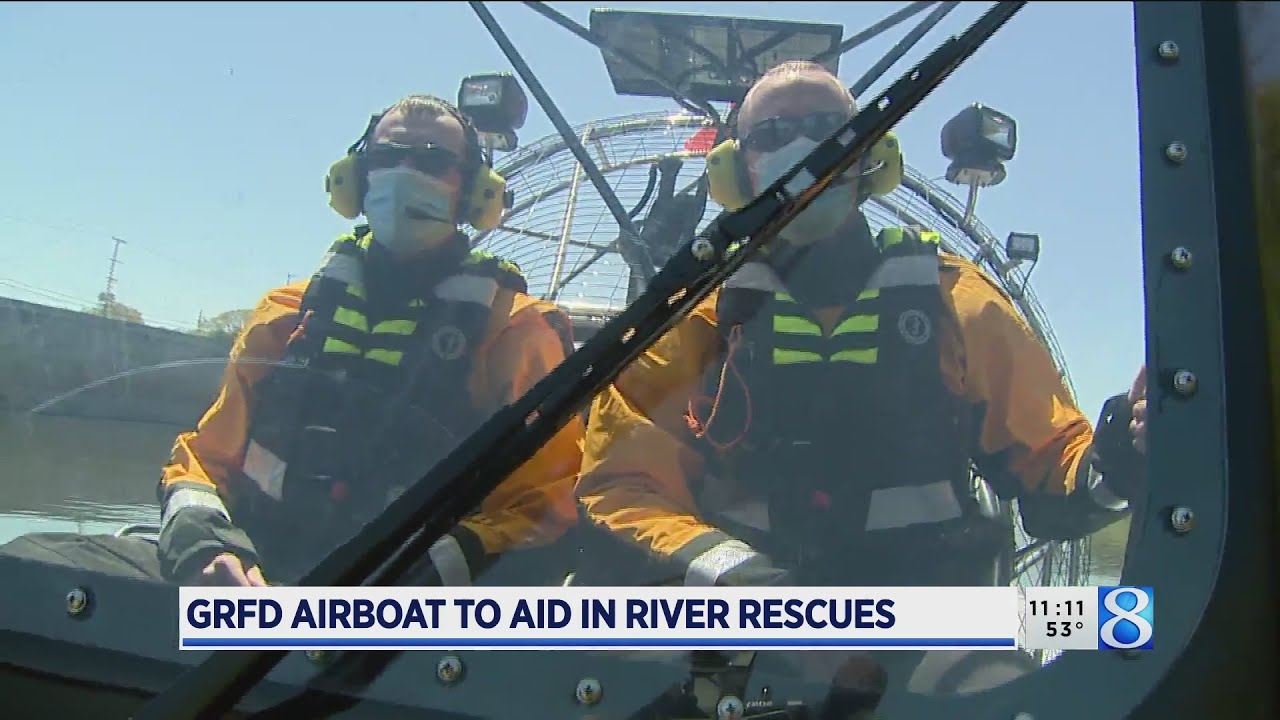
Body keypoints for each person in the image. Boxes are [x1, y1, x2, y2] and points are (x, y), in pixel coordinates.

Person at [572, 61, 1148, 692]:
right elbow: (622, 485)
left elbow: (1055, 465)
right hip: (740, 633)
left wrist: (1121, 454)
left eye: (827, 130)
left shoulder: (954, 300)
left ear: (871, 158)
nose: (802, 148)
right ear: (737, 169)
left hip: (928, 637)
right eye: (771, 135)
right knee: (581, 666)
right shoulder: (695, 317)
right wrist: (743, 585)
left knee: (1014, 680)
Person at [0, 94, 584, 589]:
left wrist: (421, 574)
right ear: (355, 181)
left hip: (409, 608)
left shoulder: (518, 330)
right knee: (27, 567)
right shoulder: (282, 315)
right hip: (249, 579)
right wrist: (208, 549)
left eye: (434, 159)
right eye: (389, 156)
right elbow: (204, 461)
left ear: (477, 193)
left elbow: (544, 504)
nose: (409, 171)